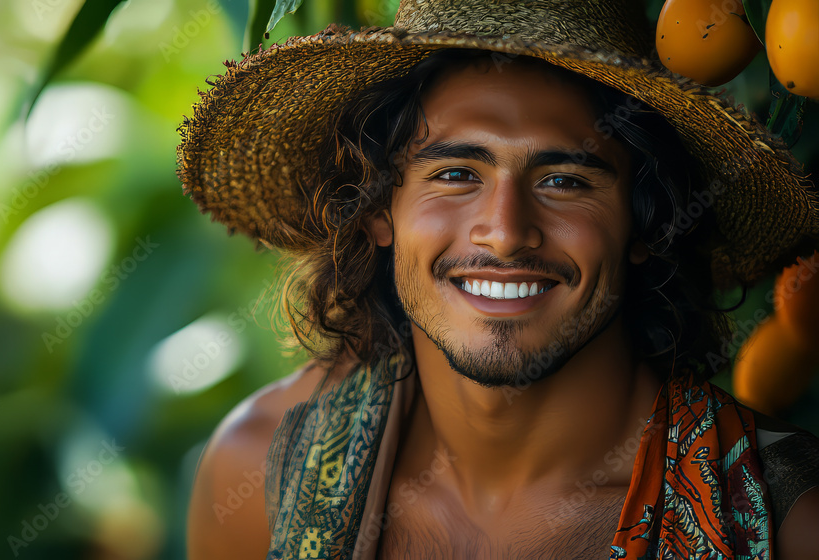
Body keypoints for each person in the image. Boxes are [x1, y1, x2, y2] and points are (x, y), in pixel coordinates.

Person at [179, 0, 819, 558]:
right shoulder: (260, 476)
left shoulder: (787, 525)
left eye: (565, 181)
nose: (506, 231)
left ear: (647, 223)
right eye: (456, 173)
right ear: (377, 209)